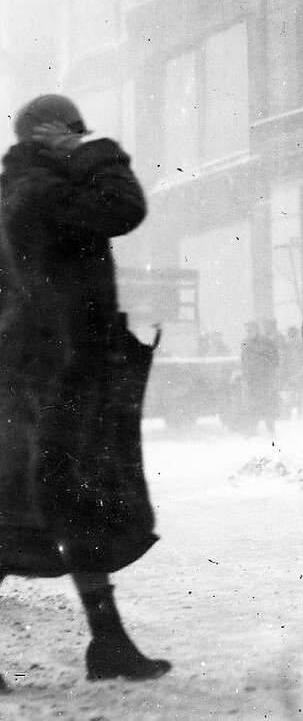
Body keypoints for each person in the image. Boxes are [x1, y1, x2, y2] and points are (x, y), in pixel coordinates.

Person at [0, 94, 171, 685]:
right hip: (57, 371)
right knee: (65, 502)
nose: (82, 137)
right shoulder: (42, 191)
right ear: (47, 133)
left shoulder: (14, 188)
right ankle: (109, 644)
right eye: (72, 130)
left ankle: (110, 643)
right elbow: (124, 209)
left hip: (28, 372)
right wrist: (97, 153)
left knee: (36, 508)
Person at [240, 320, 281, 439]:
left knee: (267, 403)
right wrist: (246, 375)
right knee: (252, 405)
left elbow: (275, 358)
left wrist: (268, 370)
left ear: (256, 329)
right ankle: (252, 429)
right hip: (251, 379)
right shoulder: (245, 343)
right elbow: (244, 360)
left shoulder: (266, 342)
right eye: (247, 330)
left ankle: (270, 430)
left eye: (251, 329)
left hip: (265, 379)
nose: (249, 332)